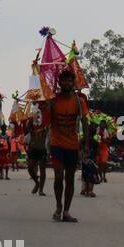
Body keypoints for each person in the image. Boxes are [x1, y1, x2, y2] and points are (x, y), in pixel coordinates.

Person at [41, 68, 89, 222]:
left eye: (69, 81)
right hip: (56, 144)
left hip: (72, 145)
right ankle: (58, 206)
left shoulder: (79, 102)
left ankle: (67, 211)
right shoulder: (53, 100)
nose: (67, 83)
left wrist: (86, 143)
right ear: (60, 82)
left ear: (73, 83)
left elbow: (85, 122)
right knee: (58, 176)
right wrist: (45, 107)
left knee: (69, 178)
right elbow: (45, 122)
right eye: (64, 80)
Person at [27, 115, 49, 196]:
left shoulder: (46, 119)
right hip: (33, 147)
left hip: (42, 148)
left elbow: (48, 131)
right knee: (30, 168)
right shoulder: (32, 118)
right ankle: (37, 182)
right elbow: (28, 130)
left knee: (42, 169)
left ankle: (41, 190)